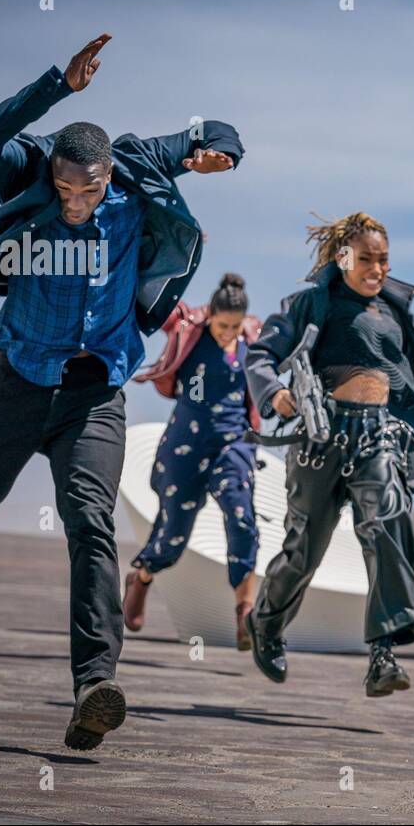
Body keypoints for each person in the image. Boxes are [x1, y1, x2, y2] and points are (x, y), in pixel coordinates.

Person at [0, 34, 245, 751]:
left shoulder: (133, 169)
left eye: (87, 189)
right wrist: (56, 86)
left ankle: (94, 685)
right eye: (65, 188)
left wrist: (214, 151)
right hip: (17, 384)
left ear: (108, 177)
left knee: (90, 522)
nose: (74, 201)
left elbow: (214, 133)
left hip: (94, 396)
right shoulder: (25, 175)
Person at [243, 212, 414, 696]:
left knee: (388, 528)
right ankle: (266, 621)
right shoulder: (313, 302)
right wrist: (275, 396)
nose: (376, 268)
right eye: (366, 258)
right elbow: (261, 356)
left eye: (384, 260)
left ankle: (382, 654)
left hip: (379, 434)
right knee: (304, 550)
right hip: (320, 436)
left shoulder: (393, 312)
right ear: (342, 257)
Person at [125, 273, 264, 651]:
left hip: (233, 442)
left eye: (234, 327)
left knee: (241, 517)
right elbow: (151, 297)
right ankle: (142, 577)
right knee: (173, 535)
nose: (227, 333)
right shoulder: (188, 327)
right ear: (210, 317)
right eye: (222, 326)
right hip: (186, 441)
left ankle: (245, 613)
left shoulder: (254, 338)